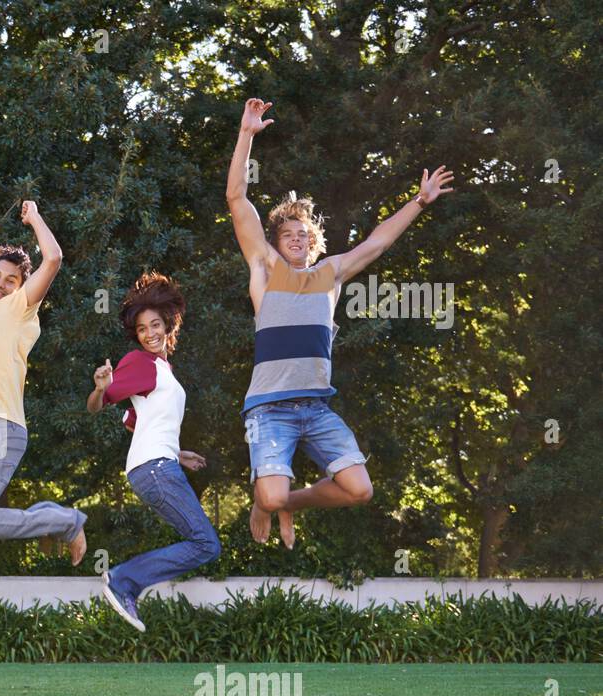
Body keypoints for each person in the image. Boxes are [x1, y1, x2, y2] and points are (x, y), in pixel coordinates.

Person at [227, 97, 454, 548]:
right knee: (266, 497)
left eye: (303, 235)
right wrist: (247, 135)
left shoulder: (330, 273)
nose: (295, 239)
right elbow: (237, 197)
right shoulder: (265, 267)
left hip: (316, 407)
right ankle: (271, 501)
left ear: (313, 244)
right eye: (287, 234)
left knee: (359, 489)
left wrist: (418, 203)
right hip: (269, 409)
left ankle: (291, 501)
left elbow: (377, 242)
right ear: (275, 242)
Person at [0, 201, 87, 563]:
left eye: (11, 280)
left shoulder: (20, 309)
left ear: (22, 288)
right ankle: (50, 517)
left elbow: (53, 259)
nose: (0, 284)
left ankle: (65, 520)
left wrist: (35, 217)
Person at [86, 273, 220, 632]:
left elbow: (137, 422)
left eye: (155, 325)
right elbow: (97, 406)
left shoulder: (163, 370)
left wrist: (179, 453)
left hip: (158, 464)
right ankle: (125, 580)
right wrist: (100, 388)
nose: (149, 333)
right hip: (154, 469)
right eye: (143, 328)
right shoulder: (140, 362)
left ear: (168, 325)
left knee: (204, 543)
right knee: (205, 543)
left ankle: (126, 581)